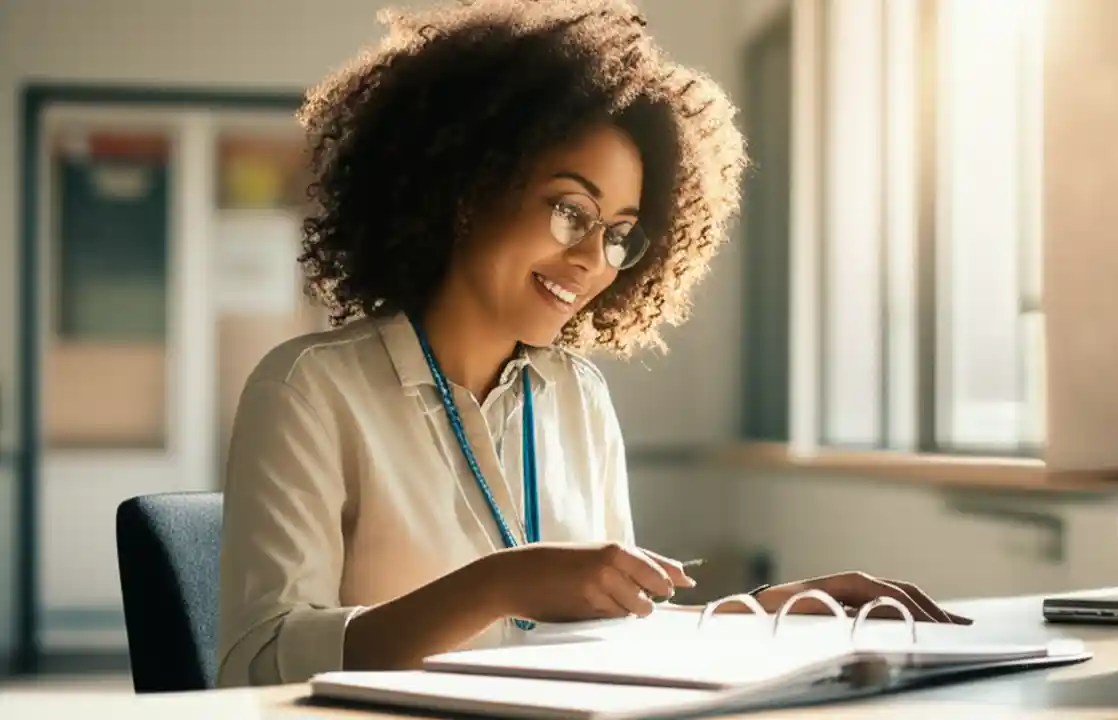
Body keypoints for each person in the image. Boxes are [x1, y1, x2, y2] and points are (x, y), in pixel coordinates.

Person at [216, 0, 968, 688]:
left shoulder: (577, 395)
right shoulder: (310, 390)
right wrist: (498, 583)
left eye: (618, 235)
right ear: (468, 190)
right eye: (571, 212)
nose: (591, 261)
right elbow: (256, 666)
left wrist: (764, 611)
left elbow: (602, 635)